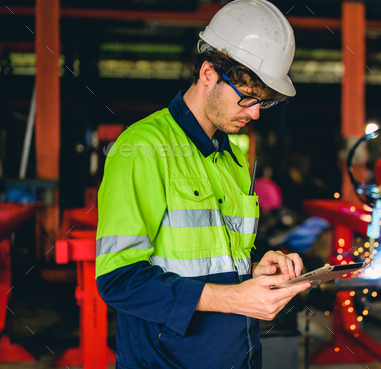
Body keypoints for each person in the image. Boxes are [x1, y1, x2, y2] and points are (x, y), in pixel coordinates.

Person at [95, 1, 309, 368]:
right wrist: (235, 299)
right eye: (247, 97)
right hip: (167, 360)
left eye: (263, 103)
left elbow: (212, 259)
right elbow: (119, 279)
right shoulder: (143, 147)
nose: (255, 112)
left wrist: (255, 270)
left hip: (236, 355)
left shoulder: (232, 159)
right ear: (209, 72)